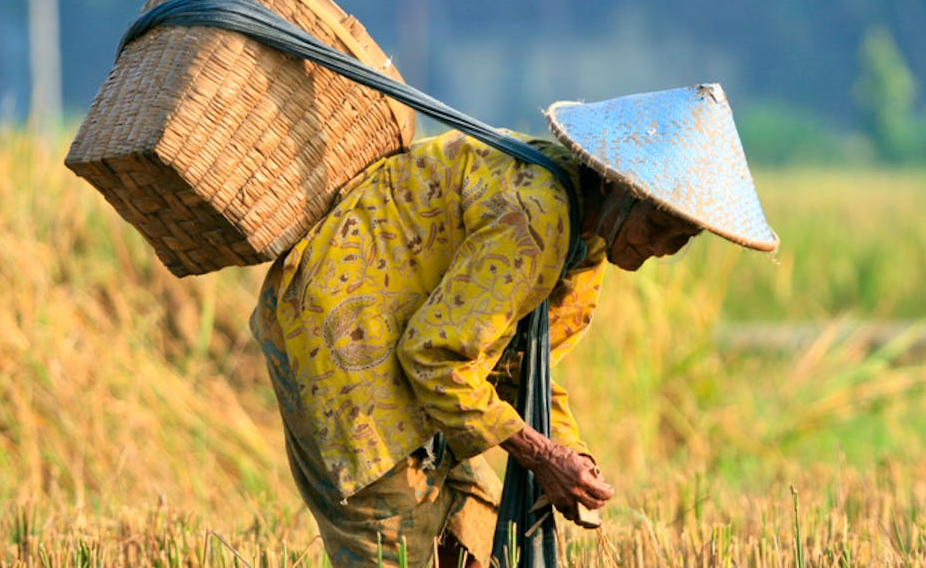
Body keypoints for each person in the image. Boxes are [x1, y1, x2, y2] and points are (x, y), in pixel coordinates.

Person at [250, 84, 779, 567]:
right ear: (621, 188)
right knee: (393, 532)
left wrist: (570, 453)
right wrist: (541, 455)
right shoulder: (536, 217)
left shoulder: (587, 237)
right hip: (343, 338)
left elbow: (525, 365)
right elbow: (434, 357)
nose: (661, 249)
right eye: (659, 226)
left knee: (475, 535)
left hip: (401, 339)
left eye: (681, 240)